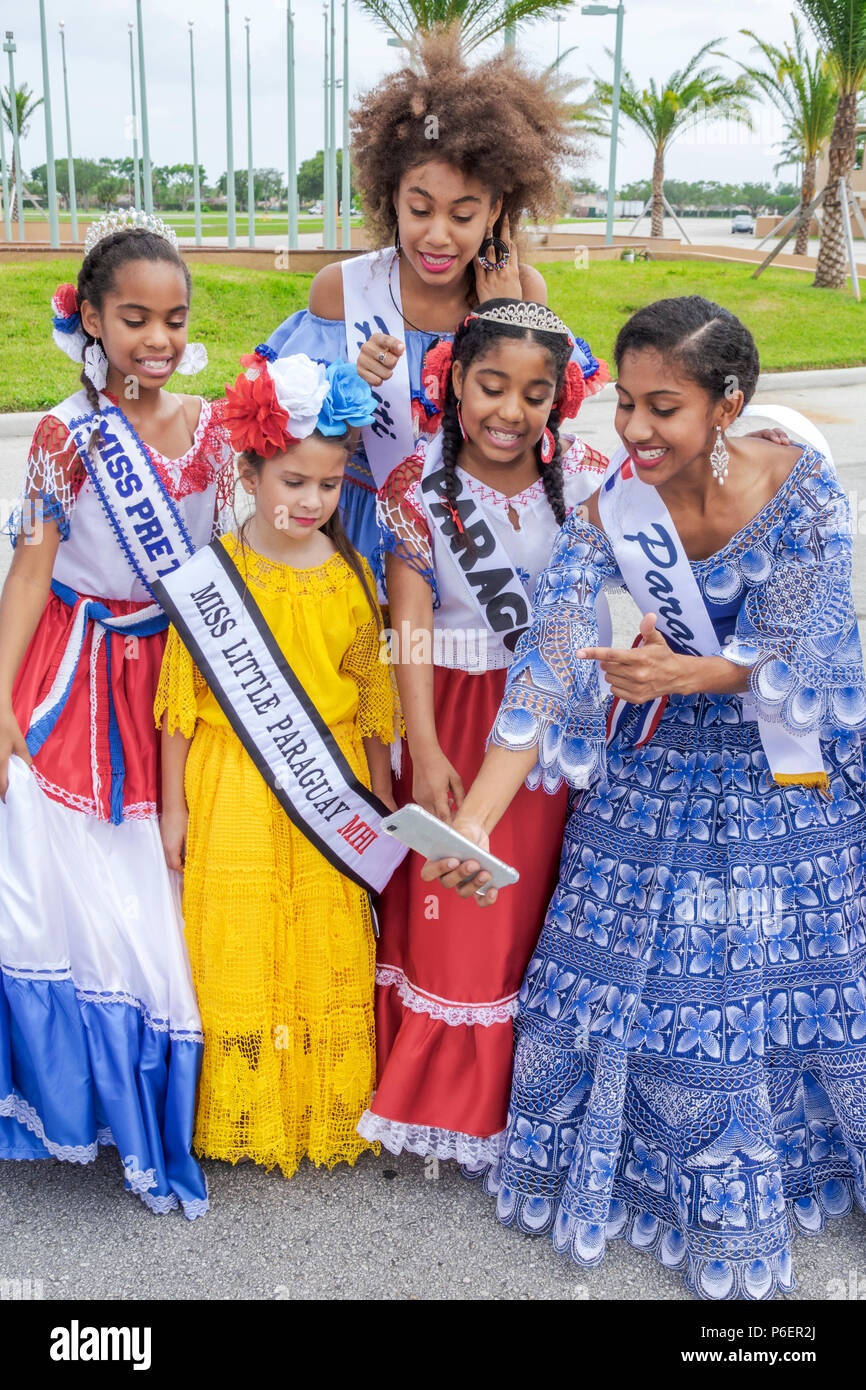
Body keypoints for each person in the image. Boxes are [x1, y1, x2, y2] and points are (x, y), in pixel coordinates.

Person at [423, 295, 866, 1299]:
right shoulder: (612, 511)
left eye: (660, 407)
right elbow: (543, 668)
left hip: (779, 754)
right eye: (623, 403)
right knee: (620, 962)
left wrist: (687, 675)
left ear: (727, 403)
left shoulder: (800, 489)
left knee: (743, 967)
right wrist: (477, 817)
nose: (630, 431)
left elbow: (808, 650)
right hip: (659, 751)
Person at [0, 212, 233, 1217]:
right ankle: (79, 1097)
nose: (157, 339)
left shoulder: (217, 428)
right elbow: (33, 565)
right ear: (90, 318)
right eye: (133, 317)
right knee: (73, 884)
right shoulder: (66, 433)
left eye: (173, 319)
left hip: (172, 679)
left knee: (161, 889)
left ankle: (156, 1087)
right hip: (73, 670)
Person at [358, 300, 610, 1163]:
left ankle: (536, 1099)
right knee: (463, 907)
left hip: (552, 719)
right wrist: (422, 751)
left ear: (558, 398)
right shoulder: (415, 489)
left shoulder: (582, 474)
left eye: (534, 394)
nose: (511, 410)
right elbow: (409, 631)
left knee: (536, 905)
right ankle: (448, 1102)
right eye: (492, 385)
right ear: (455, 379)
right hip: (458, 715)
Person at [155, 350, 403, 1178]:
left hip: (325, 789)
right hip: (229, 785)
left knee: (321, 940)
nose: (311, 501)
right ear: (252, 471)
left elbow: (373, 705)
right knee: (239, 941)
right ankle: (245, 1106)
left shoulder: (353, 576)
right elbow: (181, 707)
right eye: (293, 481)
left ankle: (318, 1104)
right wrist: (172, 810)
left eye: (328, 486)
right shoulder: (213, 575)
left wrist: (380, 808)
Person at [265, 30, 608, 571]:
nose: (438, 236)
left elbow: (530, 433)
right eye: (420, 210)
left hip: (469, 538)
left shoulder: (526, 293)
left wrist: (500, 319)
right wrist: (347, 381)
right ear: (392, 199)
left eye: (463, 215)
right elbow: (286, 439)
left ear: (496, 211)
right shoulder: (342, 290)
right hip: (356, 527)